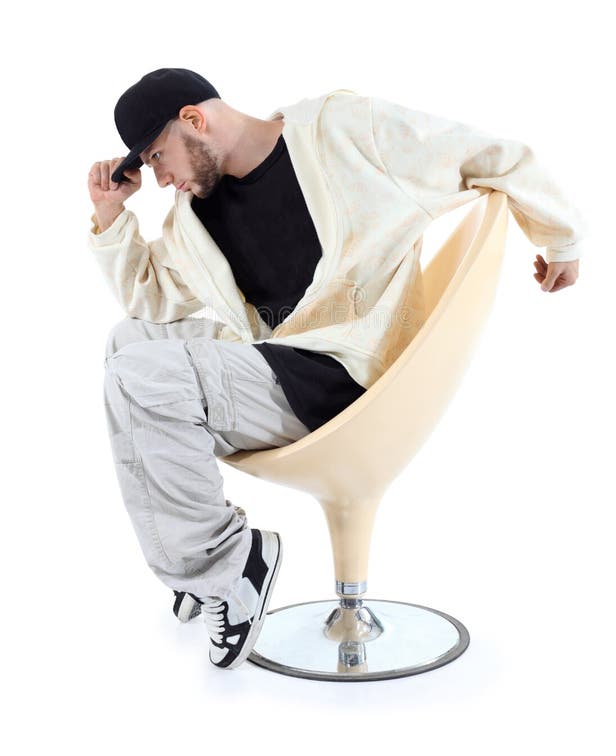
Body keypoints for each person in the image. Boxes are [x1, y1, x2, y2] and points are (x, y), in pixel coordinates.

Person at [88, 68, 589, 669]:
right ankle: (196, 556)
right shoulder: (194, 215)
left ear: (194, 121)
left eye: (157, 155)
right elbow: (152, 302)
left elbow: (484, 155)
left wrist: (561, 240)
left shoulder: (341, 131)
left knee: (143, 375)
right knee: (129, 342)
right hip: (279, 362)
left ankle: (227, 569)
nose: (160, 178)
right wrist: (111, 215)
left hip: (352, 374)